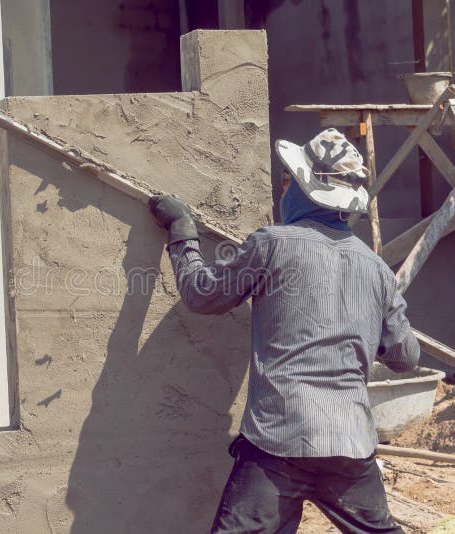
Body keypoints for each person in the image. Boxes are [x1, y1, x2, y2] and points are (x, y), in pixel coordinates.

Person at [149, 128, 420, 533]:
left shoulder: (271, 244)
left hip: (279, 440)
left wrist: (182, 230)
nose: (284, 188)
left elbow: (202, 296)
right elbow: (406, 357)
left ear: (304, 191)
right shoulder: (377, 270)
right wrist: (370, 330)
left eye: (288, 180)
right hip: (348, 443)